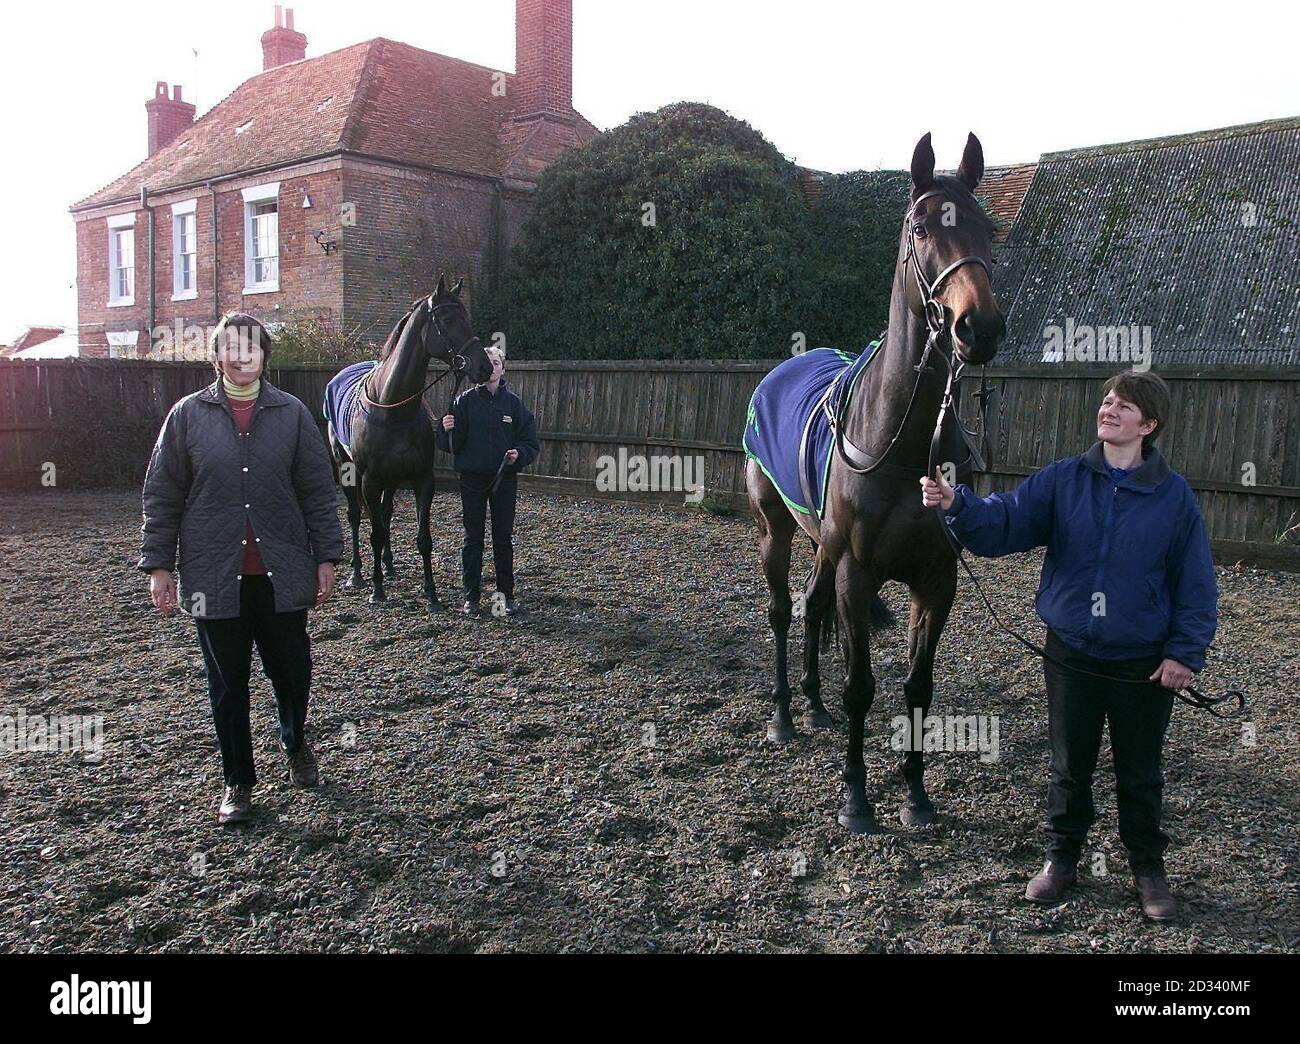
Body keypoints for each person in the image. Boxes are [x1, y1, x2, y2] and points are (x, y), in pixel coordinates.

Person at [919, 369, 1217, 922]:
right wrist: (957, 502)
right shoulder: (1064, 479)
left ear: (1148, 425)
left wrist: (1184, 653)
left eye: (1123, 406)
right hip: (1071, 653)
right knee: (1068, 766)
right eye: (1106, 401)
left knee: (1140, 771)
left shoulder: (1174, 500)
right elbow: (1006, 520)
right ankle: (1062, 860)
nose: (1108, 410)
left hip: (1142, 663)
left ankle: (1148, 870)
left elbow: (1195, 584)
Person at [139, 314, 344, 825]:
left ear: (264, 355)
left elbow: (318, 490)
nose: (240, 355)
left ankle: (295, 743)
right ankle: (238, 780)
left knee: (292, 674)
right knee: (227, 683)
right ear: (216, 355)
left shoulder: (292, 414)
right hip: (214, 575)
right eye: (230, 347)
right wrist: (159, 564)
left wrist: (326, 556)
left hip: (281, 572)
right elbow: (163, 493)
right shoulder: (187, 416)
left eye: (250, 347)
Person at [435, 345, 540, 618]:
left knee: (503, 537)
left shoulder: (514, 404)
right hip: (472, 480)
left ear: (503, 369)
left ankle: (506, 596)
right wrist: (445, 429)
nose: (492, 366)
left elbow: (530, 442)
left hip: (504, 480)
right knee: (473, 538)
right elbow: (451, 445)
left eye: (496, 362)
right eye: (488, 362)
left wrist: (520, 455)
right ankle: (471, 597)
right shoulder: (464, 402)